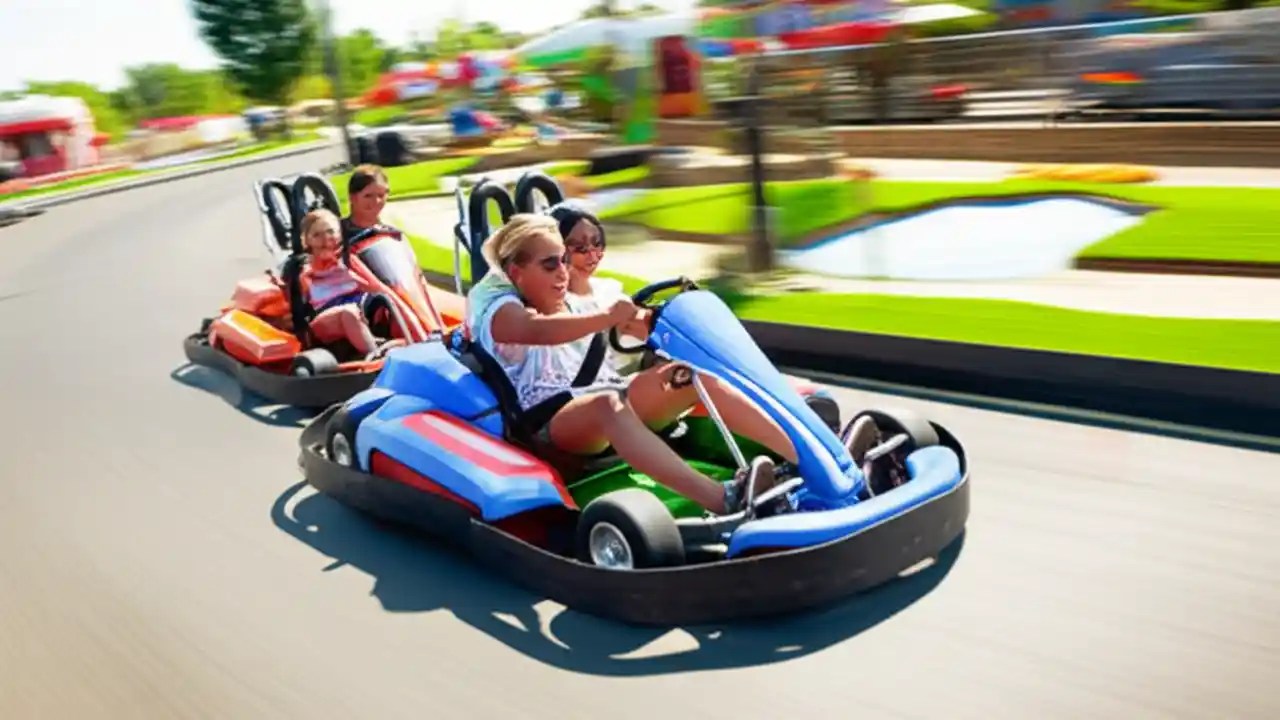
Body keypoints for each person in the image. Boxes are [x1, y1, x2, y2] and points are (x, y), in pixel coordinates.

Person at [466, 213, 801, 515]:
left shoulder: (575, 299)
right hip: (552, 423)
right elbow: (535, 330)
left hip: (608, 395)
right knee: (606, 406)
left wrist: (662, 323)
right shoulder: (501, 313)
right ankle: (722, 498)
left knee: (690, 375)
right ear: (516, 272)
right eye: (550, 265)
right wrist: (606, 317)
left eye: (564, 262)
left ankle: (803, 458)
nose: (563, 273)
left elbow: (627, 319)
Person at [298, 208, 380, 356]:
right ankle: (377, 357)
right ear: (307, 241)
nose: (325, 239)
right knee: (348, 312)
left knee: (387, 300)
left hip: (359, 305)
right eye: (317, 235)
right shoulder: (304, 272)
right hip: (324, 317)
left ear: (339, 235)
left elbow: (376, 289)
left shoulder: (349, 261)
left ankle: (417, 342)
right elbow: (293, 310)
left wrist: (353, 277)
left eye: (330, 232)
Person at [341, 164, 390, 243]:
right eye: (368, 196)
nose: (376, 201)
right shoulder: (335, 234)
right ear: (352, 197)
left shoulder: (391, 235)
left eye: (381, 195)